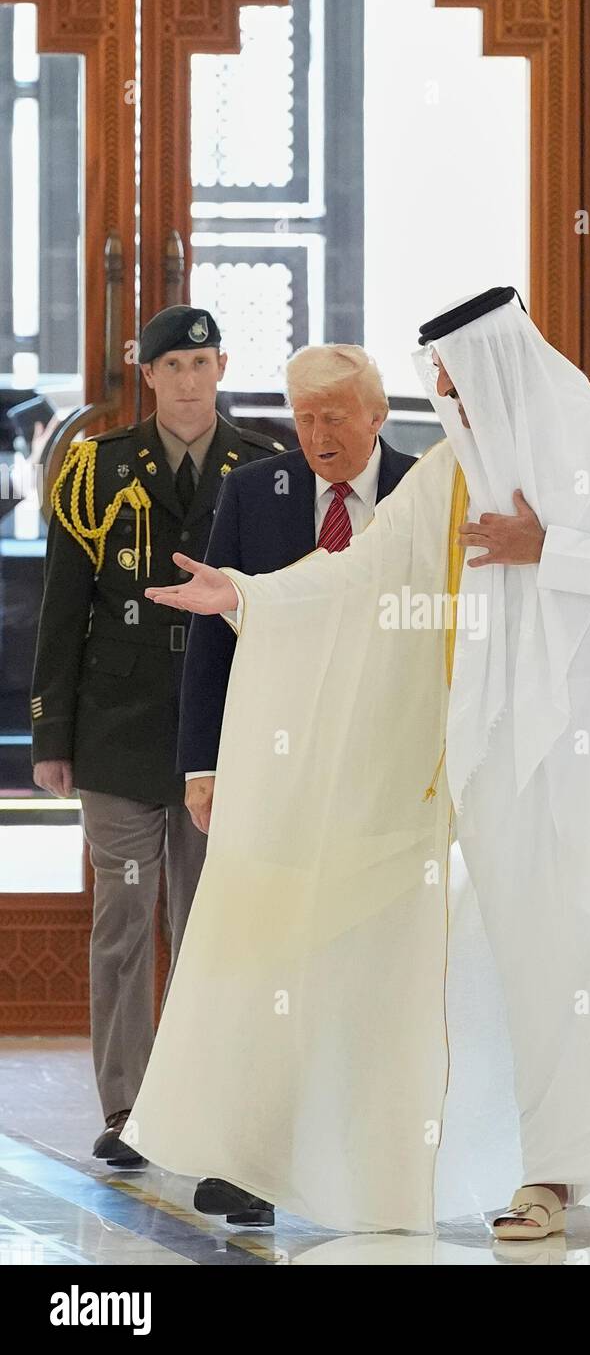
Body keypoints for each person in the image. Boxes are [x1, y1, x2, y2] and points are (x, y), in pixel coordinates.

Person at [124, 288, 590, 1242]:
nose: (448, 406)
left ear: (504, 366)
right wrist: (247, 595)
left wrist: (546, 549)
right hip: (500, 765)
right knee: (533, 971)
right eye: (440, 391)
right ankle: (544, 1175)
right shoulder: (451, 475)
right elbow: (363, 571)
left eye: (457, 387)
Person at [31, 305, 288, 1169]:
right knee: (124, 915)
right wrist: (50, 733)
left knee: (208, 917)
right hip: (119, 729)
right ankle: (127, 1106)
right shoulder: (95, 468)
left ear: (222, 369)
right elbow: (63, 609)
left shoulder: (264, 471)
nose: (187, 380)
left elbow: (285, 612)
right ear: (147, 375)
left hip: (220, 732)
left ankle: (196, 1095)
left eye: (201, 364)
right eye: (172, 365)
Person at [178, 344, 416, 1225]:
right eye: (302, 416)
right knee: (270, 963)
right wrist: (203, 765)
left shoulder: (425, 495)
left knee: (368, 972)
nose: (316, 435)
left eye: (334, 417)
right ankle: (253, 1159)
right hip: (276, 774)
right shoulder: (254, 492)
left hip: (388, 780)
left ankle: (369, 1157)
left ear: (377, 415)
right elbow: (212, 638)